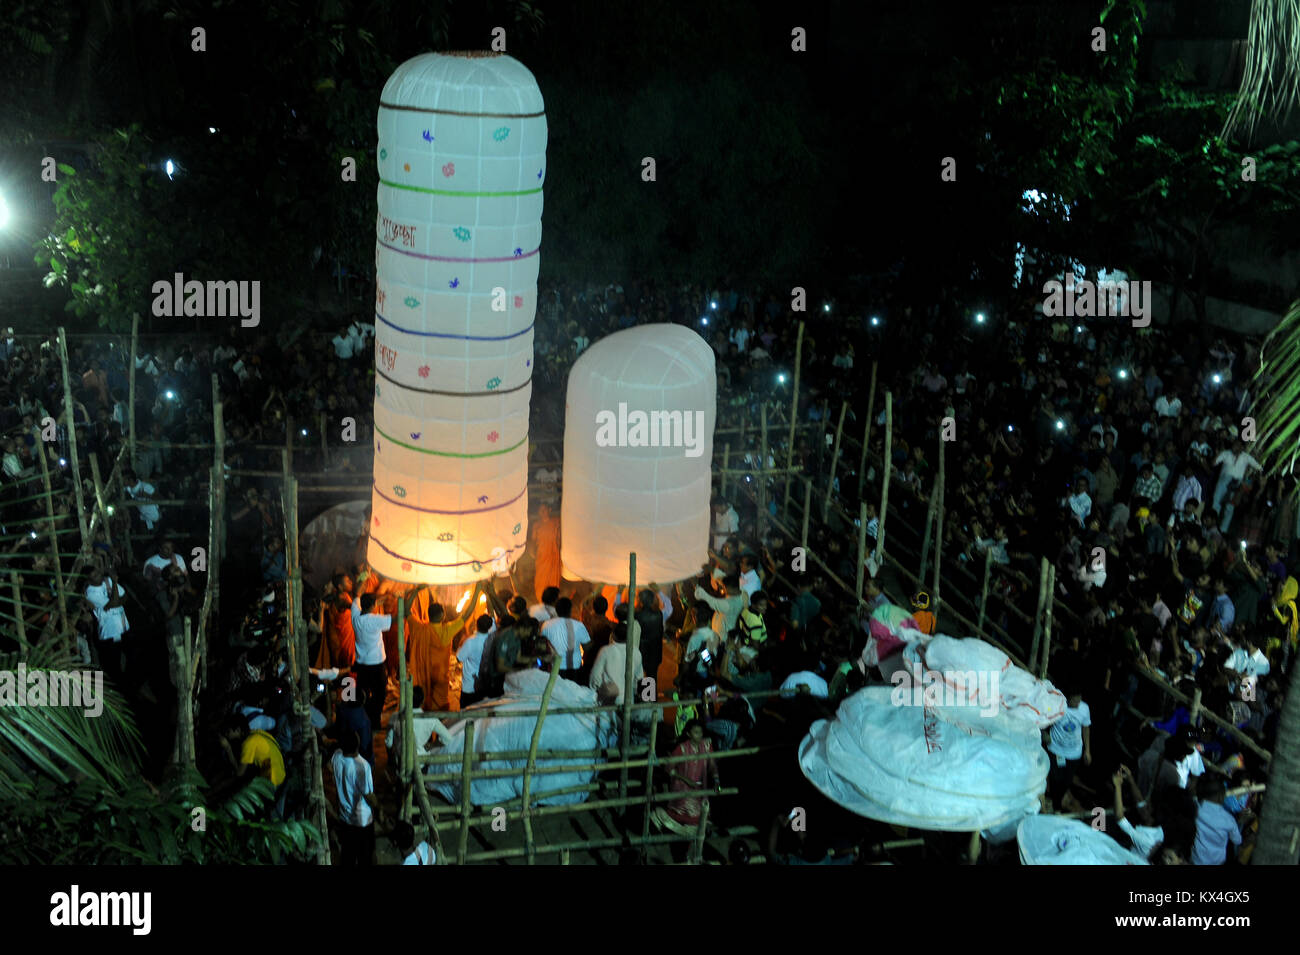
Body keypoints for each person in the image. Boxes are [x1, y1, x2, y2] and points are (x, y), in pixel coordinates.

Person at [650, 719, 719, 835]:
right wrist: (685, 779)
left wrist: (717, 780)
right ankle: (676, 825)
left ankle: (683, 829)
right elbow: (668, 768)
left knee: (702, 810)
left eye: (701, 732)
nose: (699, 735)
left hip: (700, 786)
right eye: (696, 733)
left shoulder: (707, 746)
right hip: (682, 785)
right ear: (688, 734)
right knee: (685, 805)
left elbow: (712, 766)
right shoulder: (681, 748)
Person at [331, 730, 381, 865]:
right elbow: (369, 796)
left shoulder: (336, 756)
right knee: (366, 856)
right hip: (362, 821)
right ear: (357, 743)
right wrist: (379, 809)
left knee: (348, 855)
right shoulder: (362, 766)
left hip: (345, 817)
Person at [1045, 688, 1091, 810]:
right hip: (1056, 749)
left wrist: (1087, 750)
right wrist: (1045, 733)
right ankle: (1054, 803)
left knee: (1066, 781)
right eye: (1075, 701)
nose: (1078, 703)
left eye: (1079, 700)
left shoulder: (1084, 708)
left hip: (1074, 752)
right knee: (1055, 778)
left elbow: (1086, 727)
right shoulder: (1057, 706)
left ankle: (1057, 803)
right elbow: (1045, 717)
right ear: (1067, 698)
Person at [351, 593, 391, 731]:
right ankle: (374, 720)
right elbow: (394, 619)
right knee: (380, 694)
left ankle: (364, 719)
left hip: (362, 664)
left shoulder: (355, 615)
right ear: (374, 606)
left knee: (363, 692)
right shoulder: (375, 620)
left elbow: (356, 597)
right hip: (376, 663)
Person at [588, 621, 644, 705]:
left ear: (613, 635)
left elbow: (595, 678)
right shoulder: (636, 652)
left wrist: (595, 692)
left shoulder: (605, 651)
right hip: (628, 701)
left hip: (609, 701)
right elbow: (639, 679)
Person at [1191, 775, 1242, 865]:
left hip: (1194, 860)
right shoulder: (1229, 819)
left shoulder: (1194, 807)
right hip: (1216, 862)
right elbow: (1237, 840)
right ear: (1221, 797)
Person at [541, 597, 590, 681]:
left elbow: (542, 645)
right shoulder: (579, 625)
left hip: (553, 667)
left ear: (556, 610)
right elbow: (587, 647)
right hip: (574, 668)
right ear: (570, 610)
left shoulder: (546, 625)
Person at [457, 614, 493, 707]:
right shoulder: (493, 639)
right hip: (485, 685)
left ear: (476, 625)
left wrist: (462, 642)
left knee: (466, 714)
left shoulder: (471, 641)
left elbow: (459, 658)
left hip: (470, 686)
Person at [530, 505, 562, 604]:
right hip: (542, 555)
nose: (542, 512)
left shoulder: (556, 521)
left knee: (554, 577)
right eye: (540, 510)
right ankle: (541, 598)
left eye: (544, 509)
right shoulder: (537, 525)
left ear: (549, 509)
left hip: (554, 554)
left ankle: (552, 599)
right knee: (541, 577)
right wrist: (531, 551)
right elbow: (533, 540)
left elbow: (560, 537)